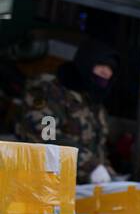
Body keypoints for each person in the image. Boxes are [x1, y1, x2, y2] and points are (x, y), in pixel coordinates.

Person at [16, 39, 119, 182]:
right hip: (43, 186)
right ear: (86, 62)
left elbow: (98, 153)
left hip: (78, 191)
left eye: (111, 69)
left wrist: (112, 177)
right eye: (101, 65)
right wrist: (89, 166)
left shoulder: (94, 105)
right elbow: (46, 135)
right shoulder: (48, 90)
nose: (106, 72)